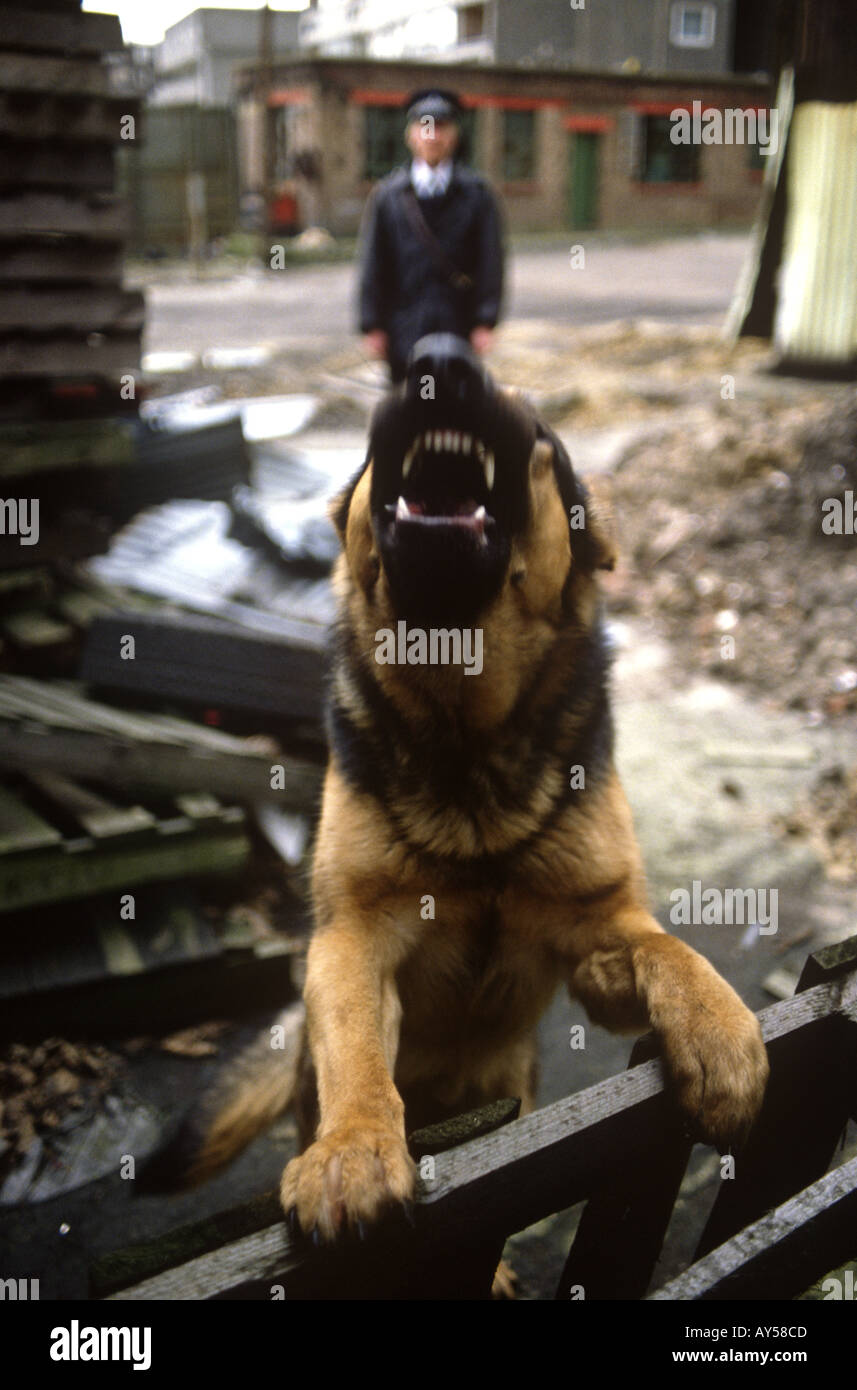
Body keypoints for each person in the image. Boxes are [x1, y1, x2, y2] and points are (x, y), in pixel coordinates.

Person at [357, 88, 505, 383]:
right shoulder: (389, 196)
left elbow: (491, 260)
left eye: (441, 127)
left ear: (454, 135)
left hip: (458, 324)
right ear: (410, 136)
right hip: (403, 326)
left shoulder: (477, 195)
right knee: (407, 413)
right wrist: (372, 325)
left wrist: (486, 321)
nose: (432, 136)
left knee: (457, 413)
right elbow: (373, 261)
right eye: (423, 127)